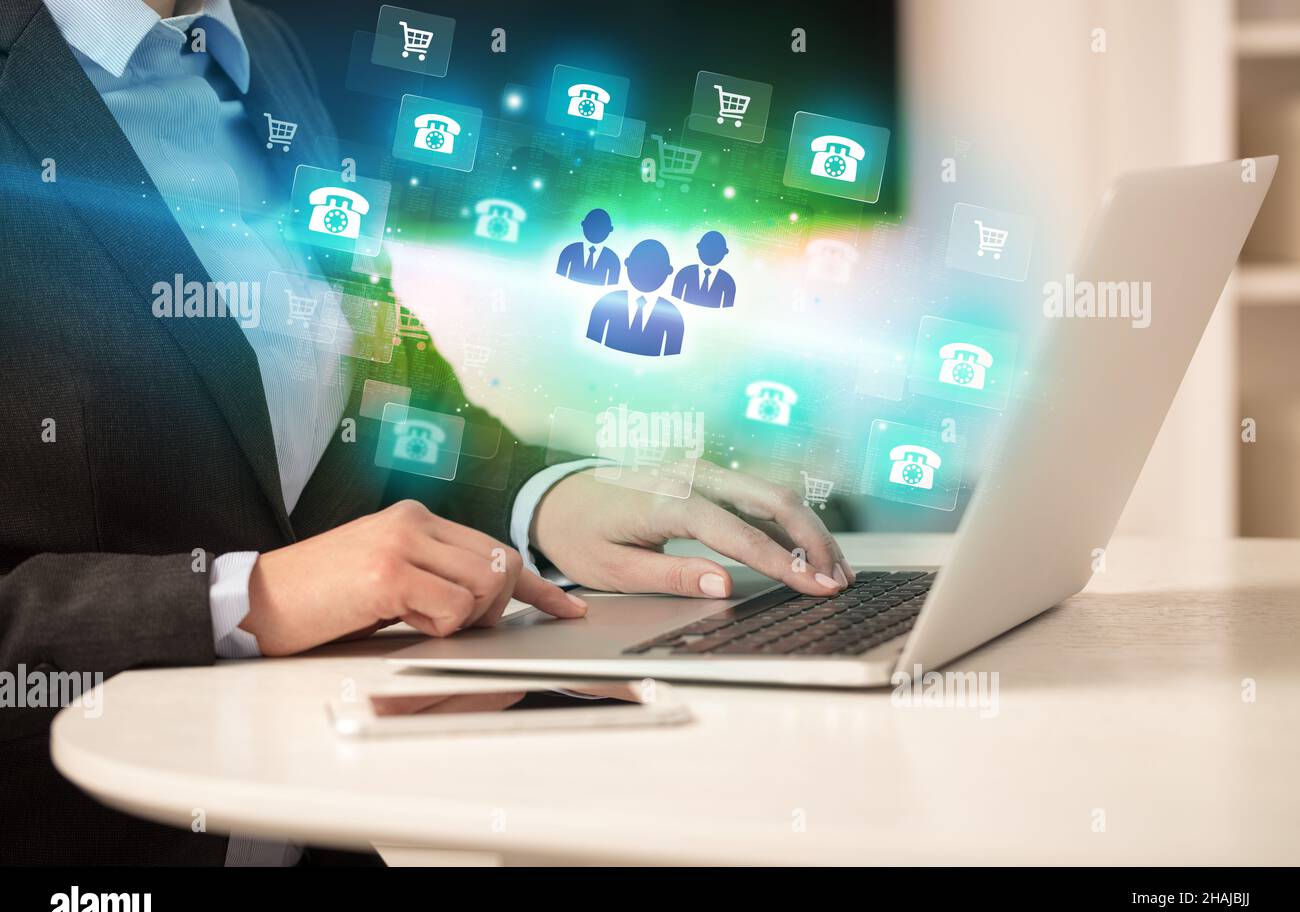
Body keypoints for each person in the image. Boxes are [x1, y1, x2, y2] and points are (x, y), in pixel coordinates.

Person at [0, 0, 852, 865]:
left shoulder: (260, 53)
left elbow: (377, 401)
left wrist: (545, 497)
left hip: (321, 821)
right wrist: (249, 600)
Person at [586, 240, 685, 357]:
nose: (647, 271)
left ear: (668, 271)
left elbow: (672, 357)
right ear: (628, 263)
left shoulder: (674, 318)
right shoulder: (605, 304)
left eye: (655, 267)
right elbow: (591, 345)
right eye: (641, 264)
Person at [671, 230, 736, 308]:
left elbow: (728, 311)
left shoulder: (728, 281)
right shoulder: (684, 273)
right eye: (708, 247)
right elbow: (673, 302)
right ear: (699, 247)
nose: (711, 252)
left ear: (724, 252)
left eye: (715, 249)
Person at [555, 208, 620, 286]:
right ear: (584, 224)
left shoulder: (612, 259)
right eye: (593, 224)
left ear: (609, 230)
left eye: (600, 226)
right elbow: (558, 279)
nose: (596, 230)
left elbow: (612, 287)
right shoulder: (569, 251)